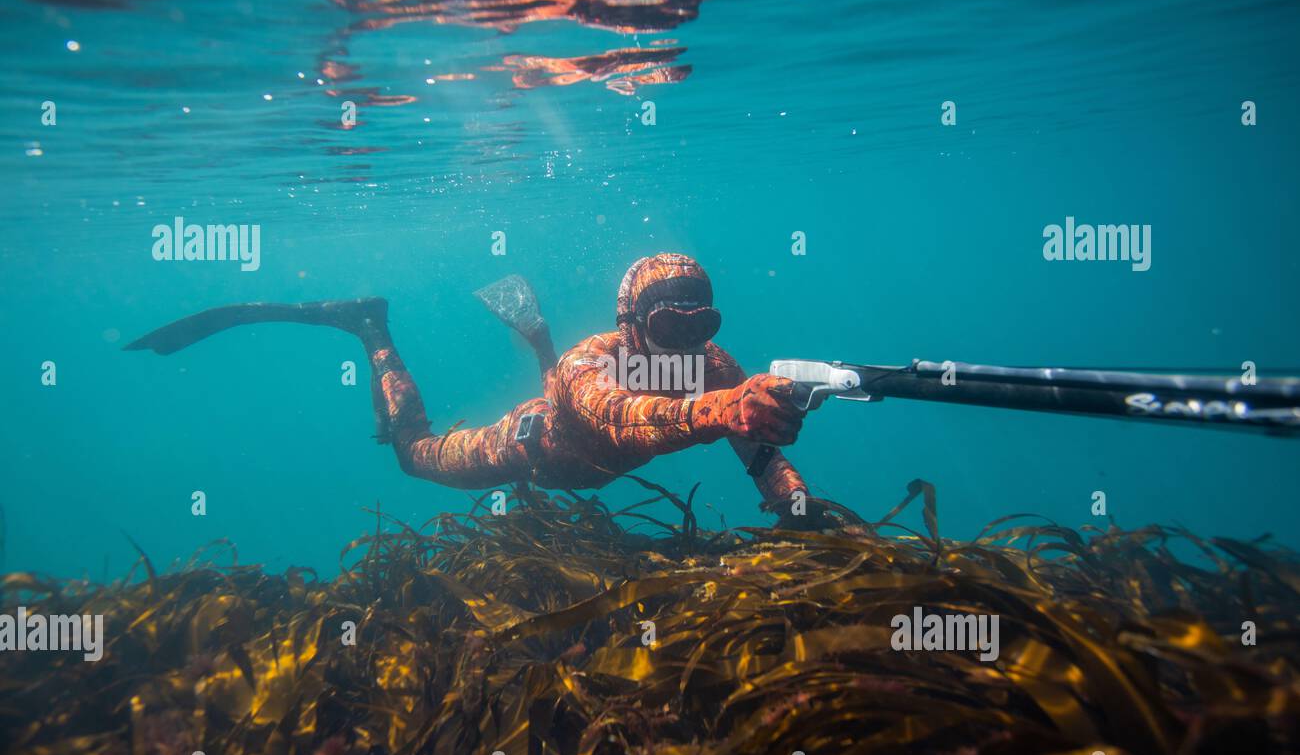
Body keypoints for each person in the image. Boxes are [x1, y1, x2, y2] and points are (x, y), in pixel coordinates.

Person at [126, 253, 826, 523]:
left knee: (558, 378)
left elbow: (755, 448)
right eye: (672, 323)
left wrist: (790, 499)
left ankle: (532, 344)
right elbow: (620, 416)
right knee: (414, 454)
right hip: (528, 448)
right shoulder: (595, 360)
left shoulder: (715, 366)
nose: (690, 341)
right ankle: (369, 331)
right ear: (629, 323)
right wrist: (719, 407)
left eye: (703, 322)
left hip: (586, 459)